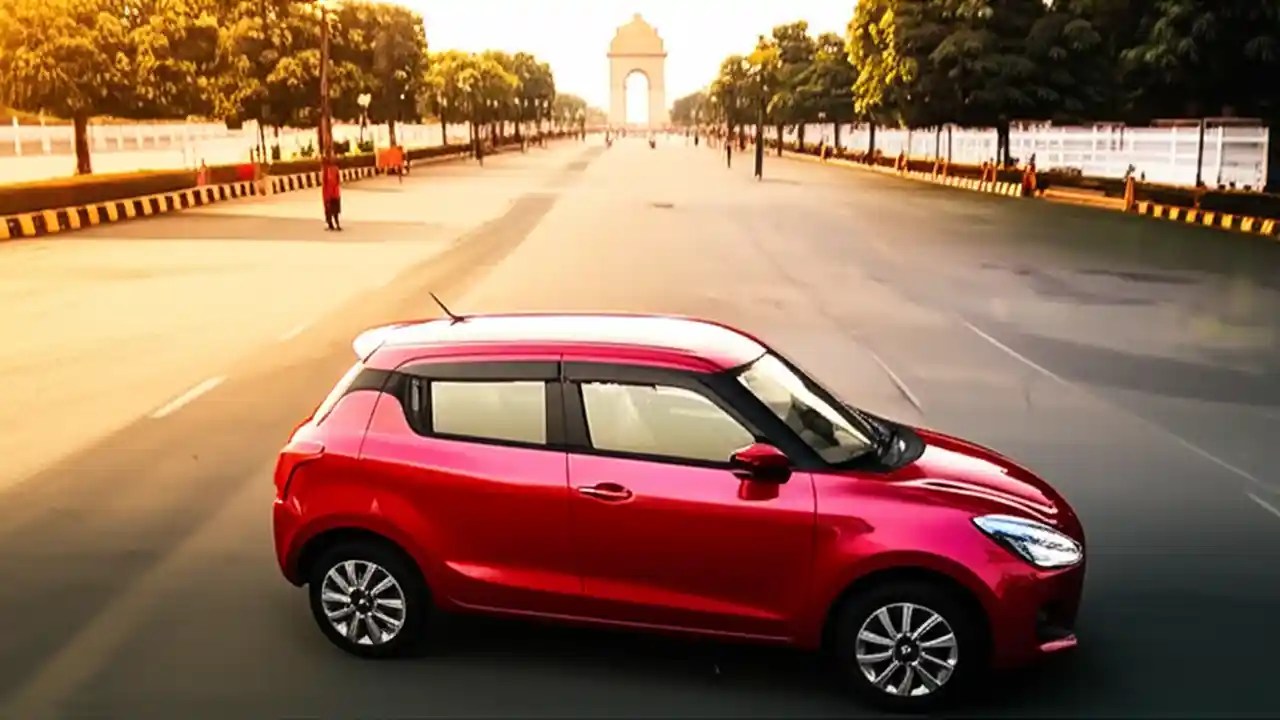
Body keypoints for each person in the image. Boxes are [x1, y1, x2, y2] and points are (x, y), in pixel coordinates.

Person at [321, 156, 342, 231]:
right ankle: (337, 224)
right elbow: (338, 180)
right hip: (335, 193)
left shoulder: (326, 170)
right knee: (335, 210)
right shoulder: (335, 169)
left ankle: (331, 225)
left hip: (328, 193)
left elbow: (325, 182)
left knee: (329, 210)